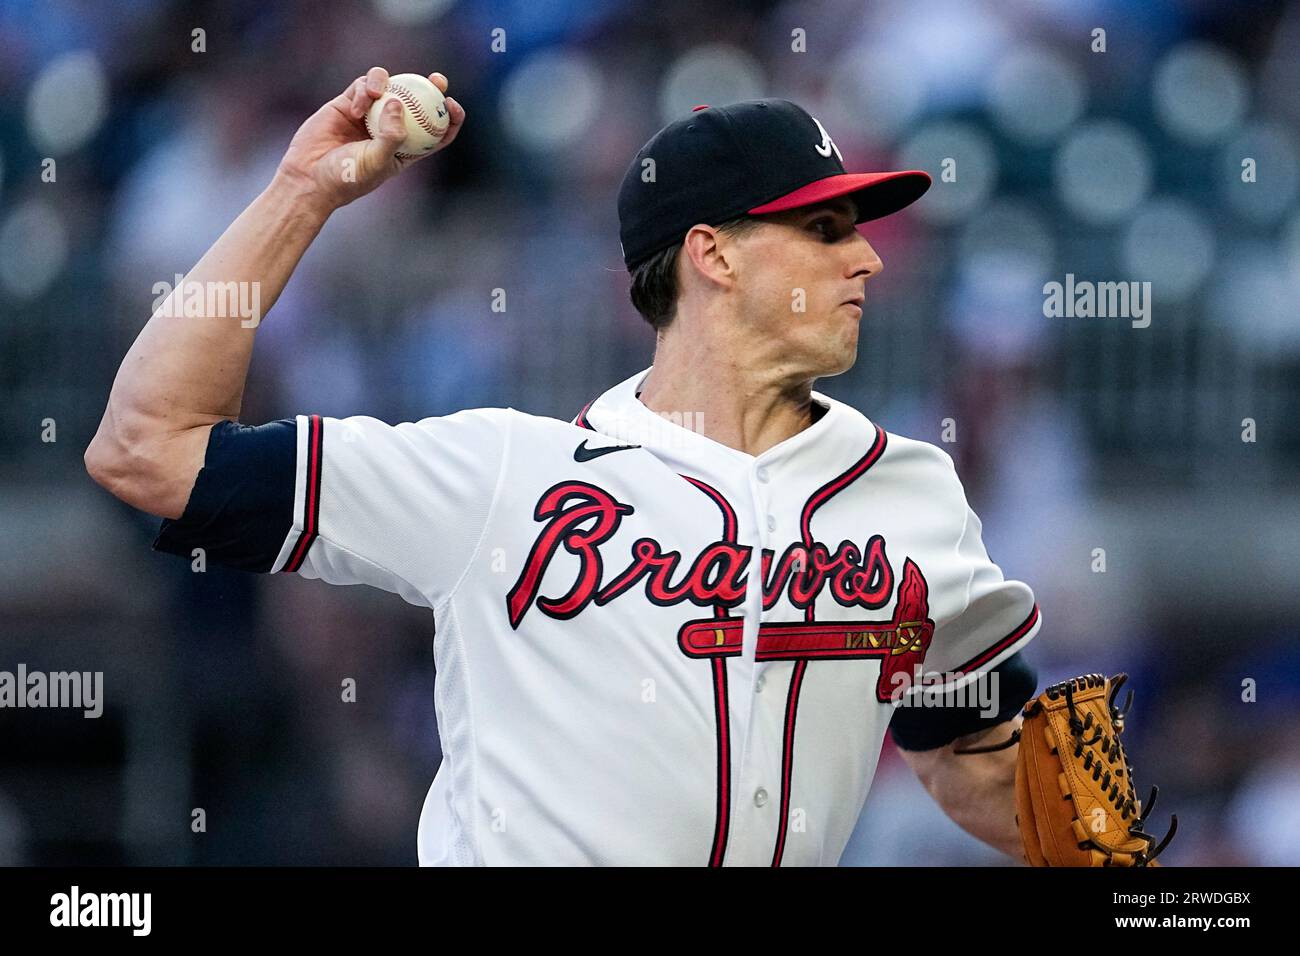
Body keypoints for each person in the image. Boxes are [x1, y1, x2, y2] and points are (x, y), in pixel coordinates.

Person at [86, 68, 1041, 866]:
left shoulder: (910, 493)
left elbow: (979, 757)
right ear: (712, 255)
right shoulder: (508, 474)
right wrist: (303, 192)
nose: (868, 259)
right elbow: (149, 446)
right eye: (826, 231)